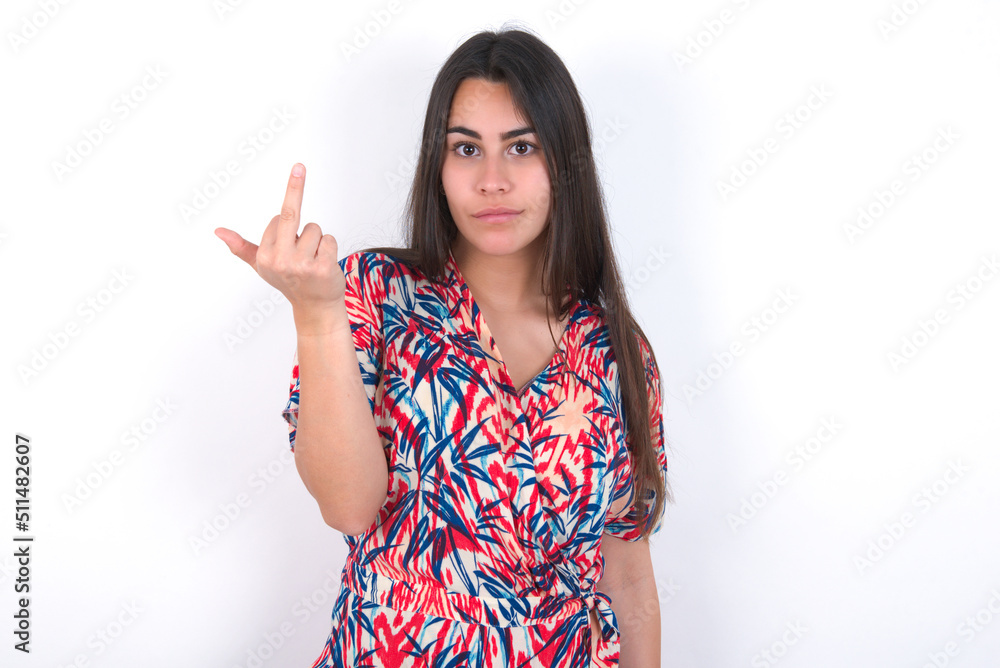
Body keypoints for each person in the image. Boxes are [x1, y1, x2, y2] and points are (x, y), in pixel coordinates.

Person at [215, 25, 671, 668]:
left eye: (521, 147)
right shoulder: (376, 295)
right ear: (439, 163)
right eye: (466, 148)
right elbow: (348, 508)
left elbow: (626, 573)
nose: (492, 180)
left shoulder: (616, 350)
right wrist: (316, 317)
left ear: (565, 161)